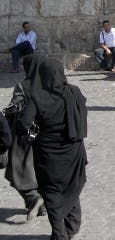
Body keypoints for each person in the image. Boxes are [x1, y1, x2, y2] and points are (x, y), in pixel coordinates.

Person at [19, 56, 88, 239]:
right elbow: (82, 113)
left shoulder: (38, 97)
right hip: (73, 152)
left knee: (52, 192)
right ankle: (71, 227)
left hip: (48, 155)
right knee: (72, 186)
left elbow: (24, 123)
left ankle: (59, 233)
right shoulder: (74, 92)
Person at [4, 54, 45, 221]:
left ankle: (33, 198)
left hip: (26, 135)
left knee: (15, 169)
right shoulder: (49, 84)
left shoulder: (22, 86)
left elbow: (15, 108)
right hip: (47, 136)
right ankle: (41, 204)